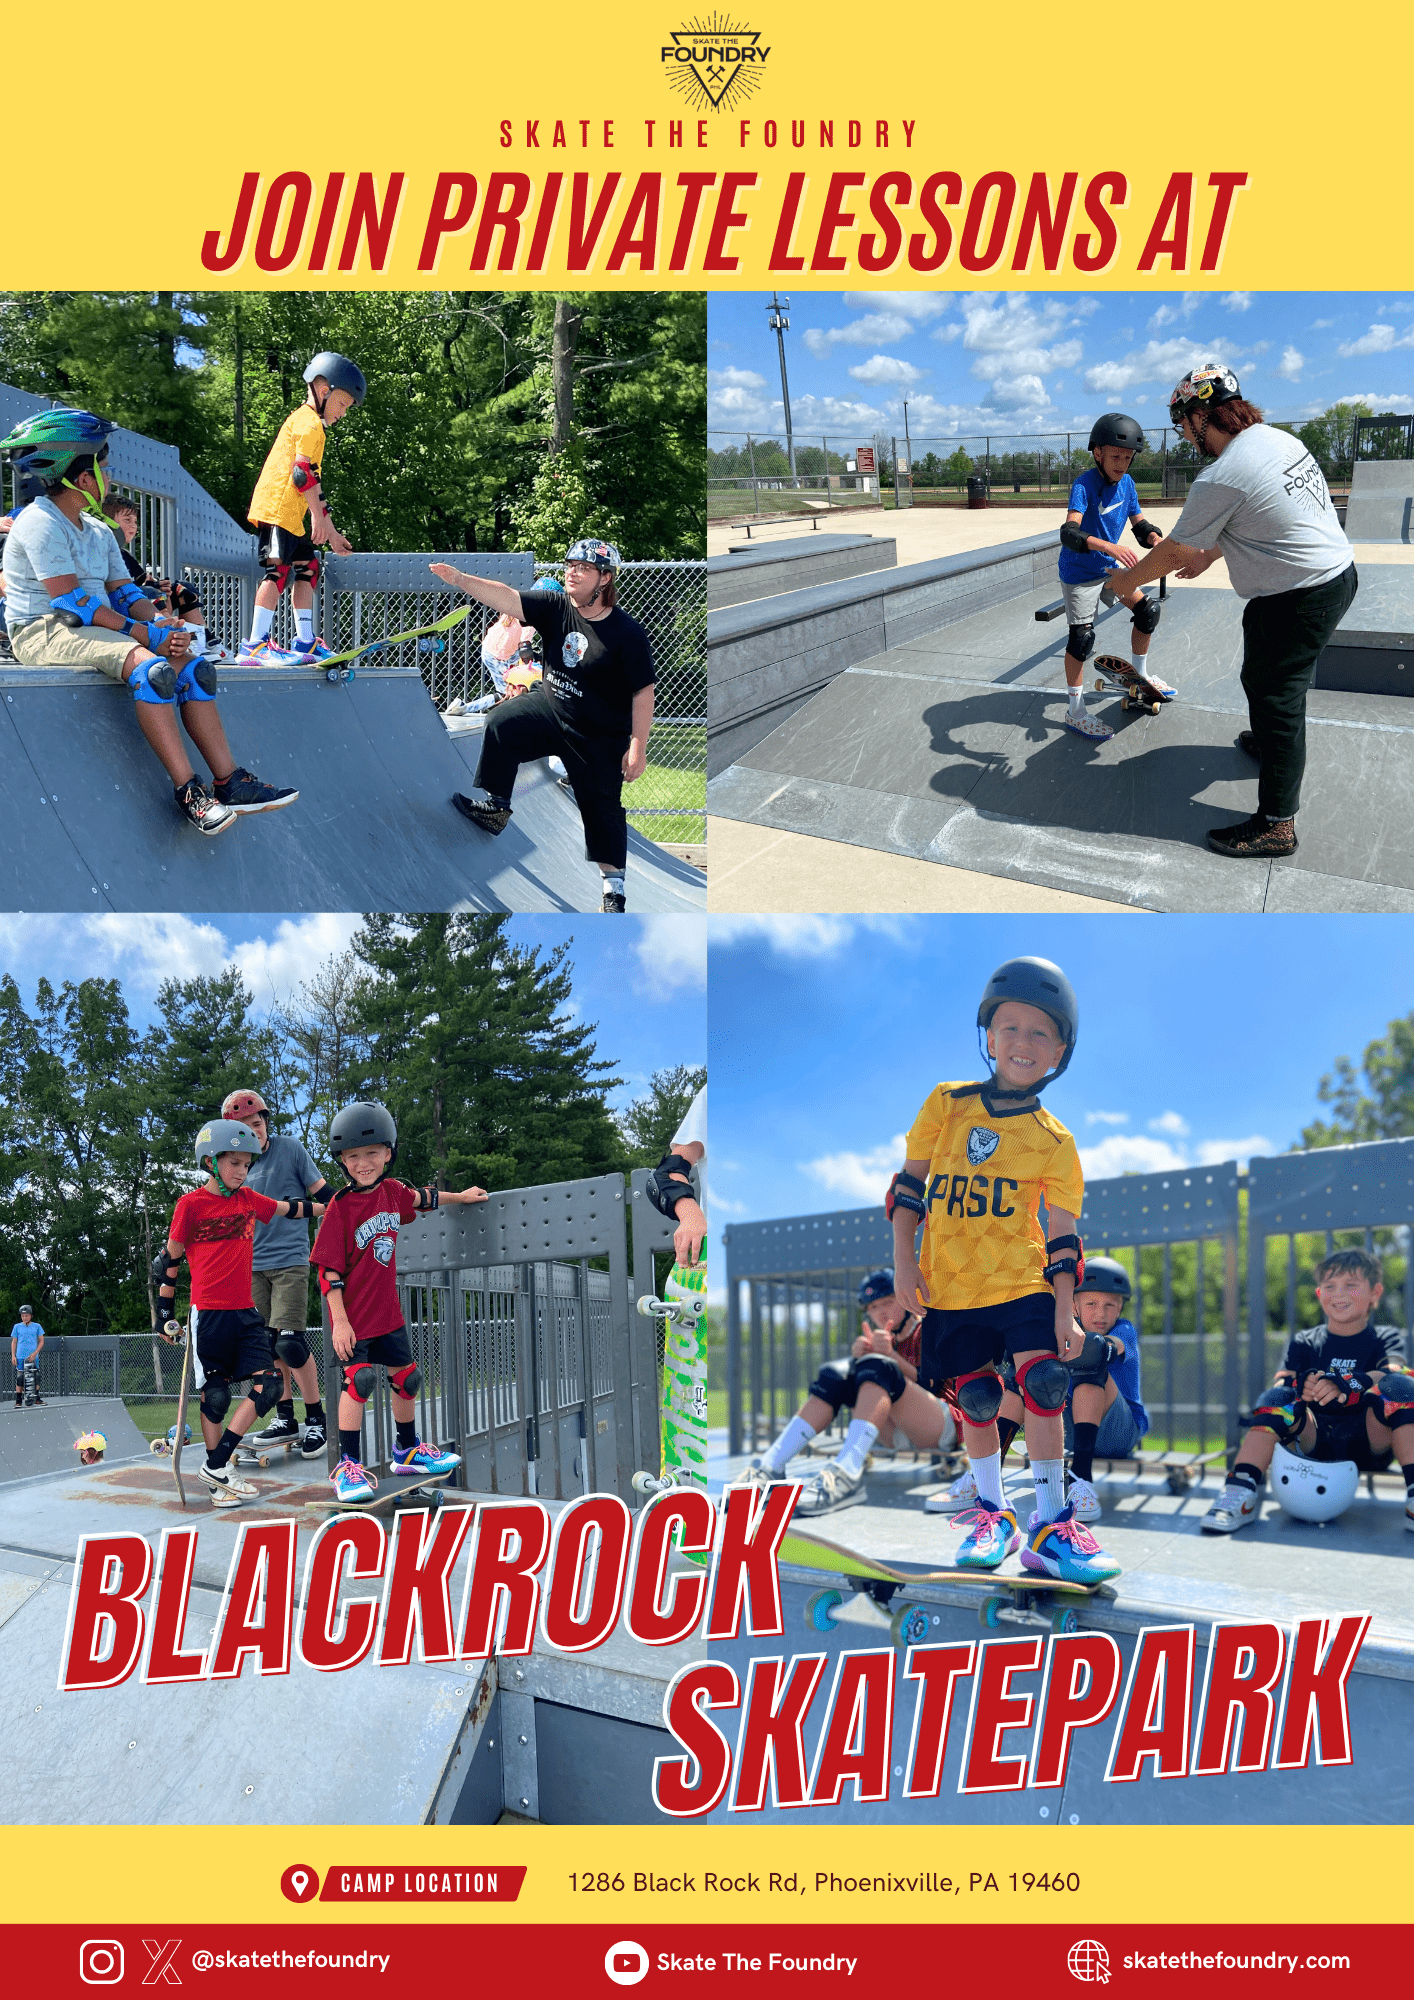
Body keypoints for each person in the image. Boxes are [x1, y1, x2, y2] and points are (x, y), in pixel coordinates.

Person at [889, 956, 1120, 1583]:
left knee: (1045, 1384)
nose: (1023, 1042)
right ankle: (994, 1513)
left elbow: (1064, 1233)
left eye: (1040, 1033)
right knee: (979, 1397)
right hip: (951, 1285)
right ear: (988, 1037)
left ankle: (1053, 1524)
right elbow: (909, 1187)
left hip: (1021, 1279)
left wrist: (1066, 1308)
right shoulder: (947, 1104)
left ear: (1060, 1052)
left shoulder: (1055, 1139)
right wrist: (903, 1263)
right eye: (1010, 1028)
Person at [0, 410, 296, 835]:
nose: (108, 476)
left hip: (91, 627)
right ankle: (188, 792)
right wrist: (146, 635)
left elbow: (125, 594)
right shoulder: (38, 522)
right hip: (42, 630)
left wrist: (164, 624)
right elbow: (71, 604)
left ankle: (230, 782)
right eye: (102, 468)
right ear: (82, 479)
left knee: (194, 667)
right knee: (153, 671)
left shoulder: (98, 532)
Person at [1109, 364, 1358, 860]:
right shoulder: (1274, 441)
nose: (1184, 435)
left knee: (1278, 696)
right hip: (1327, 578)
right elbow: (1261, 513)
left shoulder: (1222, 474)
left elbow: (1176, 549)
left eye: (1183, 424)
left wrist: (1125, 582)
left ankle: (1277, 825)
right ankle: (1270, 745)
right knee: (1262, 678)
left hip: (1300, 595)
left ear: (1202, 416)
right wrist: (1208, 555)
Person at [433, 538, 656, 914]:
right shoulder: (555, 606)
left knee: (602, 810)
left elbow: (643, 692)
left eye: (582, 568)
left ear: (604, 578)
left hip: (598, 734)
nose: (572, 572)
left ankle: (613, 890)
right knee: (502, 720)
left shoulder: (626, 633)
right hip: (551, 709)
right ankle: (497, 807)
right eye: (569, 565)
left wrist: (637, 746)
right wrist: (459, 579)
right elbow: (505, 597)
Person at [311, 1101, 488, 1505]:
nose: (363, 1163)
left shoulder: (392, 1193)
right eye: (353, 1156)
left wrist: (461, 1196)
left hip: (387, 1314)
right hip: (353, 1320)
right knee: (359, 1382)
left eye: (371, 1153)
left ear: (388, 1153)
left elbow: (423, 1198)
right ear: (342, 1161)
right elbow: (327, 1272)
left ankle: (406, 1450)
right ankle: (348, 1466)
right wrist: (339, 1322)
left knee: (406, 1379)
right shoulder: (339, 1207)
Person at [155, 1119, 329, 1506]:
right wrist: (164, 1312)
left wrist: (335, 1205)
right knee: (215, 1398)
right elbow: (168, 1261)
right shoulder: (191, 1205)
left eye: (246, 1164)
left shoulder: (248, 1199)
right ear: (211, 1161)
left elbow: (293, 1208)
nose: (241, 1170)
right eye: (233, 1162)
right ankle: (220, 1482)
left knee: (269, 1386)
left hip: (246, 1313)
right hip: (209, 1316)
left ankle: (216, 1463)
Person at [1202, 1248, 1414, 1534]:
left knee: (1400, 1387)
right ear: (1319, 1293)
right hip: (1314, 1438)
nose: (1339, 1294)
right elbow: (1281, 1385)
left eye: (1351, 1285)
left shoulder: (1385, 1336)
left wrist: (1350, 1382)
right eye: (1330, 1286)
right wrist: (1300, 1385)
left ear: (1375, 1293)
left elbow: (1394, 1371)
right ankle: (1238, 1494)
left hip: (1370, 1440)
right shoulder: (1304, 1341)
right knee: (1277, 1399)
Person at [741, 1269, 958, 1515]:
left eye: (888, 1302)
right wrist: (860, 1363)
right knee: (836, 1375)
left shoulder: (930, 1329)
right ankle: (771, 1466)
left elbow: (936, 1386)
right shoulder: (881, 1340)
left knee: (879, 1366)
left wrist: (889, 1357)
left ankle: (847, 1472)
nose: (880, 1312)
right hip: (893, 1432)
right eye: (872, 1307)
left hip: (938, 1427)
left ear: (907, 1297)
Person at [221, 1088, 335, 1458]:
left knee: (290, 1342)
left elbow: (322, 1192)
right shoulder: (236, 1165)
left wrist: (353, 1206)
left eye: (257, 1123)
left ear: (265, 1121)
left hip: (290, 1260)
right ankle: (285, 1417)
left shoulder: (289, 1149)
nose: (254, 1131)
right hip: (251, 1267)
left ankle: (317, 1419)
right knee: (268, 1348)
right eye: (244, 1127)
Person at [241, 352, 364, 666]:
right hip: (278, 509)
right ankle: (254, 645)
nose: (343, 413)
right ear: (325, 392)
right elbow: (301, 474)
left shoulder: (311, 425)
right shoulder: (309, 424)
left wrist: (329, 528)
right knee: (278, 571)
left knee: (308, 569)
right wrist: (317, 517)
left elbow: (313, 479)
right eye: (342, 404)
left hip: (292, 516)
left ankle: (305, 642)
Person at [1058, 414, 1171, 742]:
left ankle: (1142, 677)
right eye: (1116, 456)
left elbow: (1139, 525)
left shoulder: (1128, 484)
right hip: (1080, 573)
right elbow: (1069, 532)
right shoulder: (1084, 484)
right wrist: (1108, 545)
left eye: (1127, 457)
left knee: (1147, 612)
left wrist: (1155, 540)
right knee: (1081, 640)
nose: (1122, 464)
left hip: (1109, 570)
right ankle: (1075, 712)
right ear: (1098, 454)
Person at [1059, 1255, 1148, 1522]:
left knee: (1092, 1354)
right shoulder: (1063, 1331)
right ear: (1073, 1305)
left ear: (1120, 1308)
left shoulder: (1124, 1329)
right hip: (1072, 1434)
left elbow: (1108, 1347)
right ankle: (983, 1479)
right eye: (1091, 1304)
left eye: (1110, 1305)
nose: (1101, 1313)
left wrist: (1095, 1347)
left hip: (1118, 1433)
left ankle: (1082, 1477)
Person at [11, 1304, 45, 1407]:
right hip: (21, 1356)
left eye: (26, 1315)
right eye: (22, 1316)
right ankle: (18, 1400)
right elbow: (14, 1342)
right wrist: (13, 1355)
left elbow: (41, 1341)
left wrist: (35, 1353)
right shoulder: (17, 1327)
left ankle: (36, 1398)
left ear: (31, 1316)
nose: (24, 1317)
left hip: (33, 1357)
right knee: (20, 1377)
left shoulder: (37, 1326)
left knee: (35, 1377)